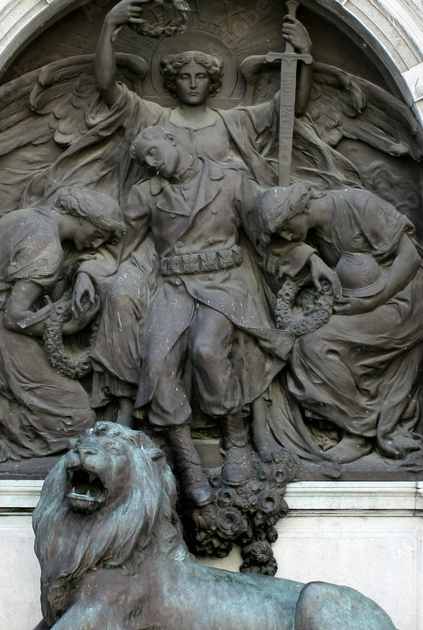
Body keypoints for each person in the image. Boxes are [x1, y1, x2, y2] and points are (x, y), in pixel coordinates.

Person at [85, 126, 335, 505]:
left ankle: (236, 440)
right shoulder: (146, 194)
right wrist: (87, 272)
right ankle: (188, 465)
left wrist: (309, 257)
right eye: (144, 161)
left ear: (172, 140)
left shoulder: (231, 180)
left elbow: (267, 233)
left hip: (224, 285)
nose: (151, 163)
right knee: (155, 361)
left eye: (154, 152)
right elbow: (120, 244)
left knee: (206, 349)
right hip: (174, 288)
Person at [255, 183, 423, 463]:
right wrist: (312, 260)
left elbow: (409, 256)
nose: (288, 236)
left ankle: (359, 433)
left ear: (301, 210)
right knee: (305, 343)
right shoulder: (312, 231)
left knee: (316, 343)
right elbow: (276, 250)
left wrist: (375, 299)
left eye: (287, 228)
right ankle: (355, 422)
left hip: (401, 297)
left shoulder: (361, 205)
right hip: (358, 298)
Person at [0, 188, 124, 461]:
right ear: (84, 219)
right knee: (78, 416)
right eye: (98, 235)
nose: (95, 244)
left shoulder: (26, 218)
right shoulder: (46, 245)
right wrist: (67, 327)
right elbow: (15, 317)